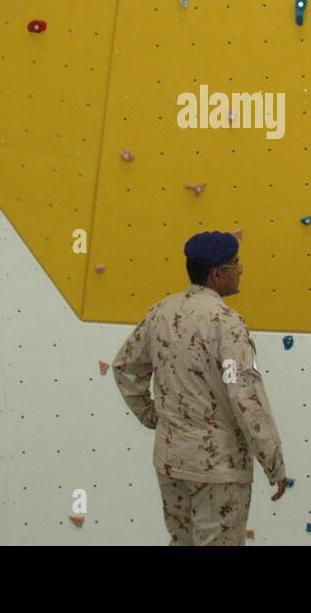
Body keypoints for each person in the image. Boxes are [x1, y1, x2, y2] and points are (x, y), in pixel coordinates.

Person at [113, 230, 287, 545]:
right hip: (218, 469)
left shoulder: (162, 311)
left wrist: (153, 417)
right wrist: (273, 462)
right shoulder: (226, 322)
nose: (241, 270)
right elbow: (245, 397)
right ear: (218, 274)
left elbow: (126, 367)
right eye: (236, 264)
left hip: (172, 460)